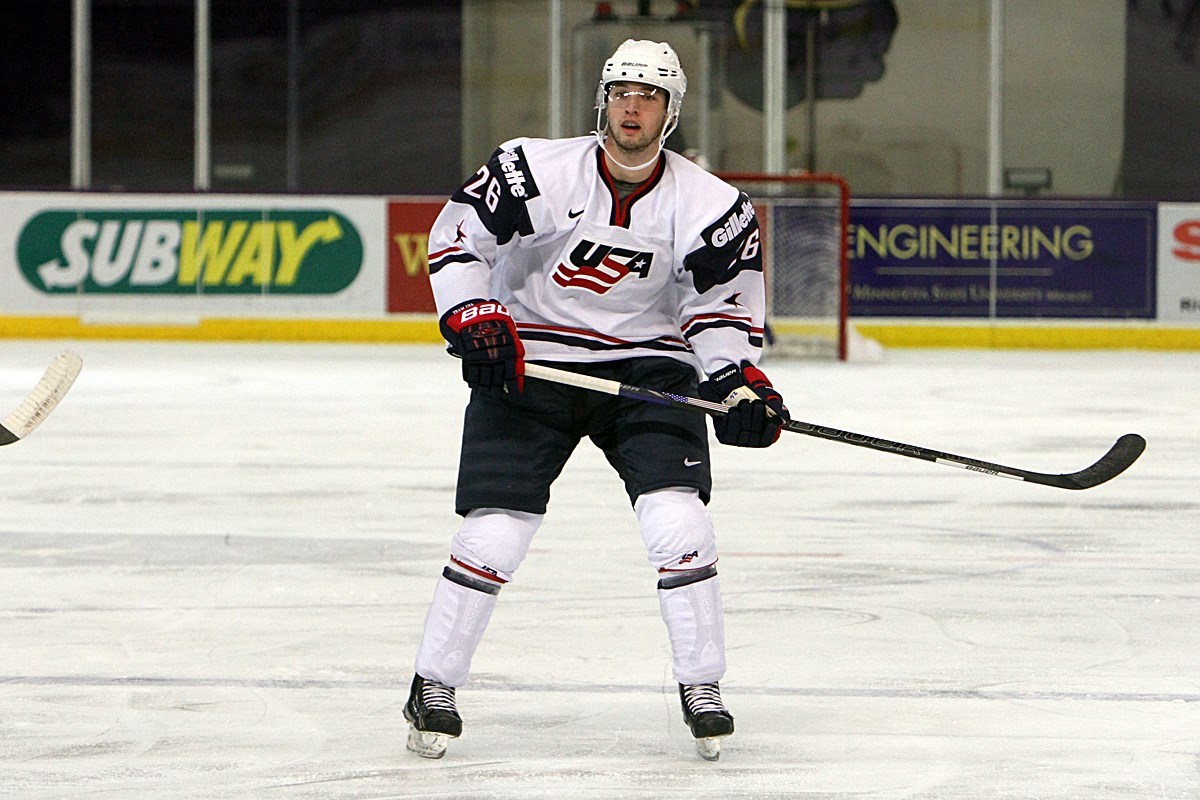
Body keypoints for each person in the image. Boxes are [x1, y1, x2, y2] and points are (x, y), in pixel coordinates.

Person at [405, 38, 789, 762]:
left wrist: (738, 382)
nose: (632, 105)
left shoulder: (712, 206)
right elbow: (460, 238)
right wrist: (475, 316)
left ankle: (702, 687)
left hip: (648, 370)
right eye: (622, 92)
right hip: (534, 363)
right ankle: (432, 685)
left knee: (679, 525)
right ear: (603, 101)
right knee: (494, 534)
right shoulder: (533, 168)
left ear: (670, 112)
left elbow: (720, 310)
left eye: (649, 95)